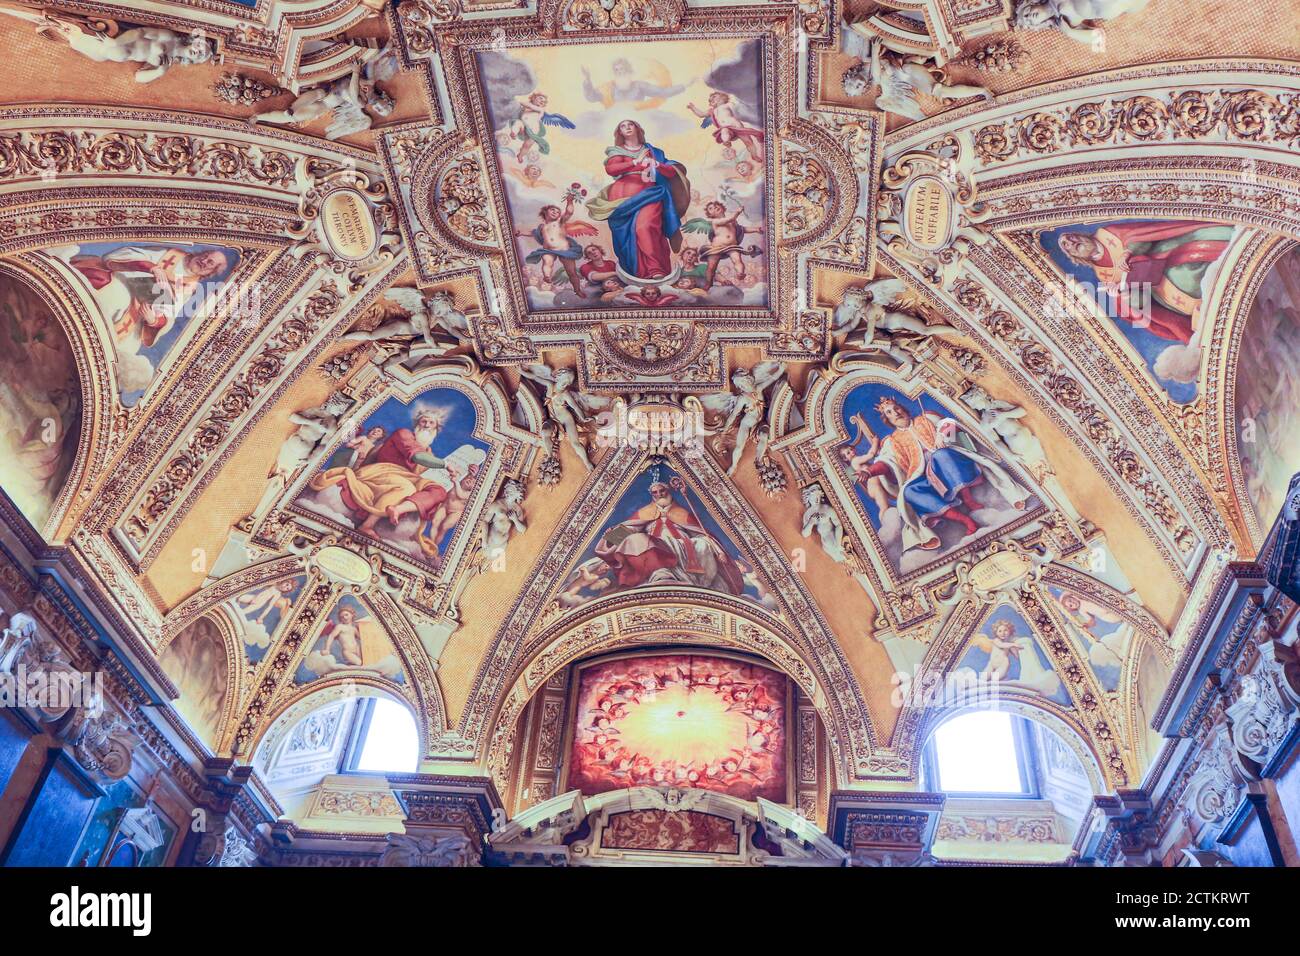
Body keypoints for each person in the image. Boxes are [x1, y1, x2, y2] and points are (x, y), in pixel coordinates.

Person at [839, 396, 1029, 552]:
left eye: (896, 408)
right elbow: (886, 463)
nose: (895, 412)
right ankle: (967, 521)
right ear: (887, 420)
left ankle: (969, 500)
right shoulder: (892, 441)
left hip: (949, 461)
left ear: (903, 408)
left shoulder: (925, 418)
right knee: (909, 492)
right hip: (922, 476)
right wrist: (870, 471)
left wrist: (942, 433)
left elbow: (950, 425)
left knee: (941, 455)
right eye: (889, 413)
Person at [586, 119, 690, 280]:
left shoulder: (654, 152)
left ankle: (656, 269)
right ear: (619, 132)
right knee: (625, 237)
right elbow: (611, 169)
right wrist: (635, 162)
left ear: (637, 129)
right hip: (620, 202)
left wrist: (657, 164)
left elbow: (672, 171)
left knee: (645, 227)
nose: (627, 128)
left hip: (650, 194)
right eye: (622, 126)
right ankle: (636, 272)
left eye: (630, 125)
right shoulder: (617, 151)